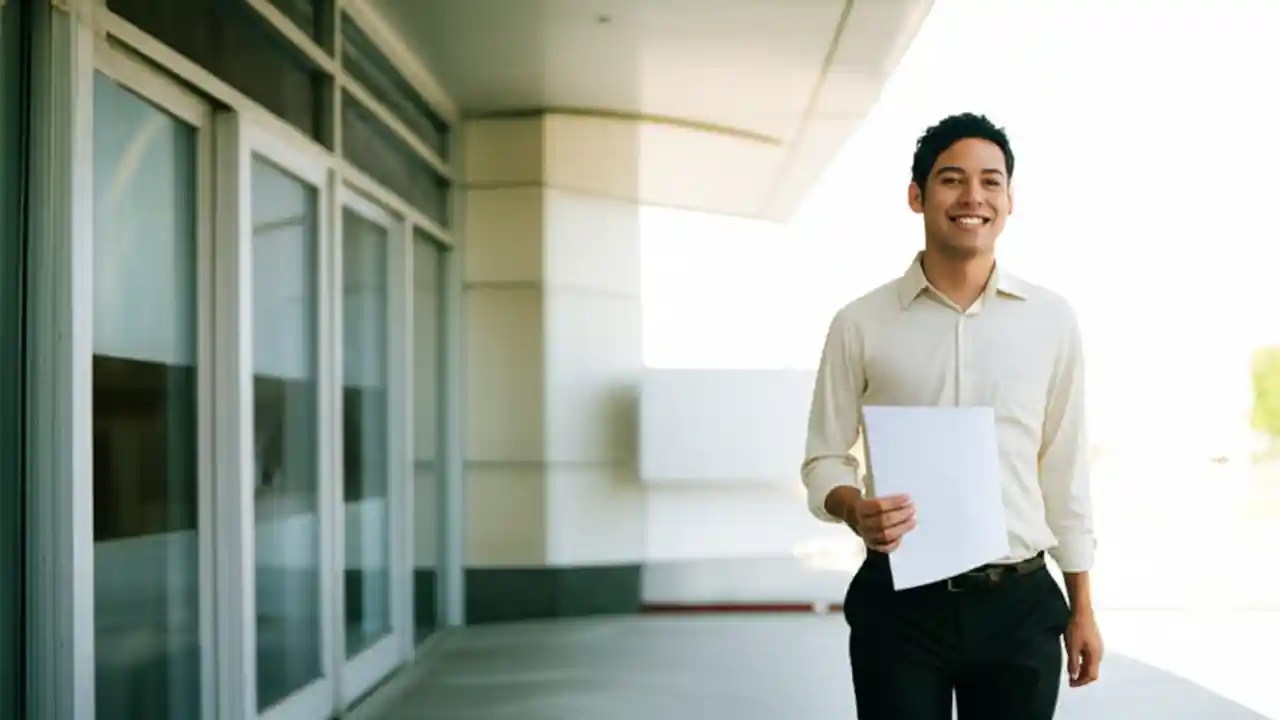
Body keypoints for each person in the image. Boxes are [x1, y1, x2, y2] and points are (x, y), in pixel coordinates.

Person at [800, 112, 1103, 719]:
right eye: (952, 180)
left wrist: (1083, 605)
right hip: (901, 606)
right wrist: (850, 506)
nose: (973, 197)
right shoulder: (860, 323)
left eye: (991, 182)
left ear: (1010, 200)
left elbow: (1063, 470)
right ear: (917, 196)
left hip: (1019, 605)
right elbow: (823, 456)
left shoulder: (1050, 321)